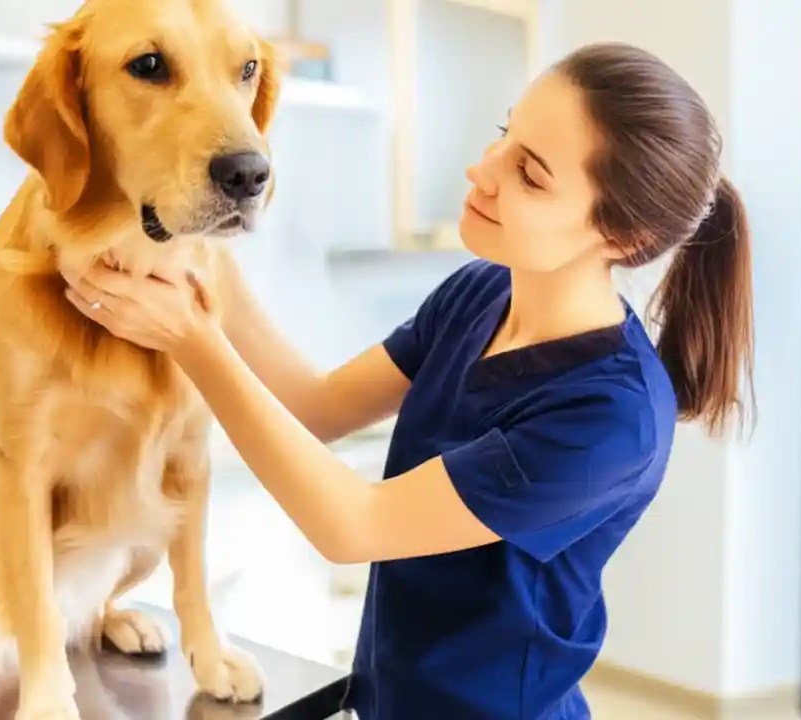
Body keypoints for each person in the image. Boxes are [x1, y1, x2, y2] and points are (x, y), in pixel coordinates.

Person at [64, 42, 754, 720]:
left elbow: (353, 527)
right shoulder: (481, 293)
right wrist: (202, 249)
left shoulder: (610, 416)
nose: (482, 171)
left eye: (531, 174)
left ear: (623, 238)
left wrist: (190, 338)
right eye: (504, 136)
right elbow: (318, 406)